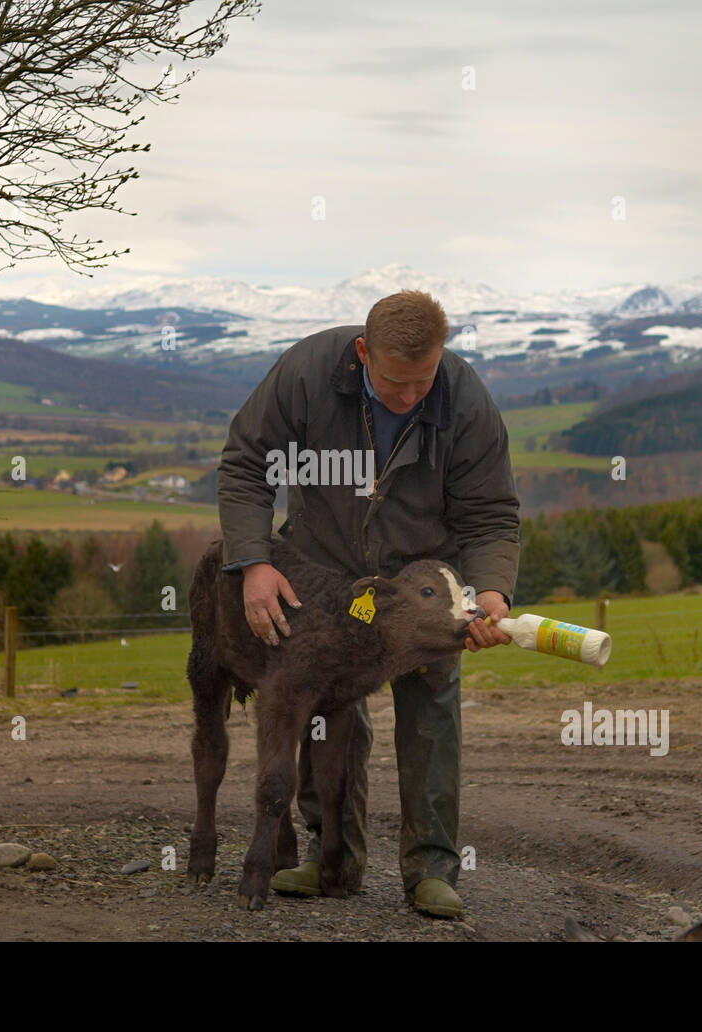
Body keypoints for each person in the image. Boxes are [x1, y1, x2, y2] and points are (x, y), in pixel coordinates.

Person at [216, 288, 520, 918]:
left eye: (423, 382)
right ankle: (330, 861)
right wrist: (255, 561)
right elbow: (247, 463)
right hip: (326, 577)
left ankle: (432, 870)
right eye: (393, 383)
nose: (410, 397)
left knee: (431, 710)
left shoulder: (464, 399)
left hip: (424, 587)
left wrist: (489, 590)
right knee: (323, 708)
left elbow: (490, 514)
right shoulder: (305, 374)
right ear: (362, 353)